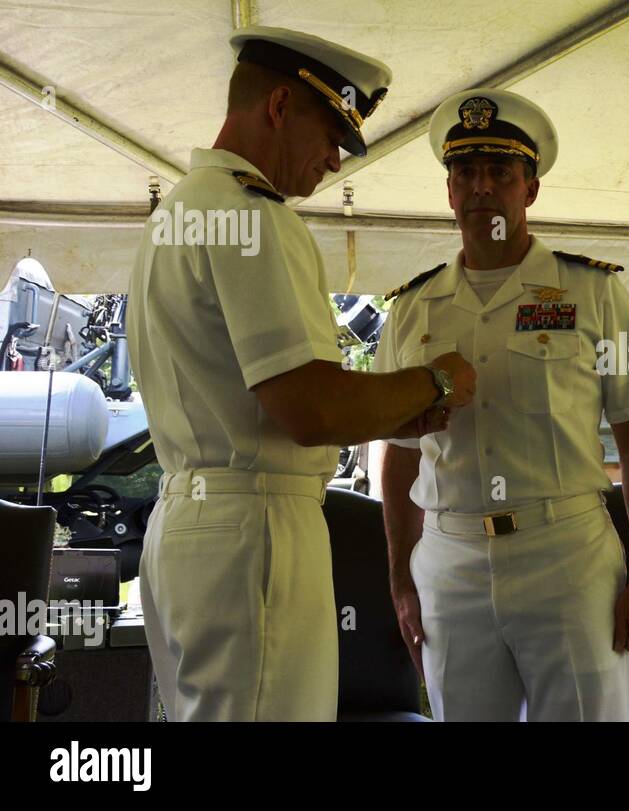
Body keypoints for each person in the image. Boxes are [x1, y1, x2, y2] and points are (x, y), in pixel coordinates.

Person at [126, 26, 475, 721]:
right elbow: (311, 408)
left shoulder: (178, 213)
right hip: (255, 531)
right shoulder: (254, 218)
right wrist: (436, 382)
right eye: (330, 135)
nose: (332, 162)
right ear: (280, 106)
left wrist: (389, 409)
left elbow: (257, 393)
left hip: (189, 523)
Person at [373, 88, 629, 721]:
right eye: (466, 172)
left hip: (566, 556)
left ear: (530, 189)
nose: (481, 187)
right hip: (449, 564)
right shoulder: (411, 309)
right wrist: (402, 582)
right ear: (449, 190)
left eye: (500, 172)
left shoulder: (591, 292)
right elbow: (399, 454)